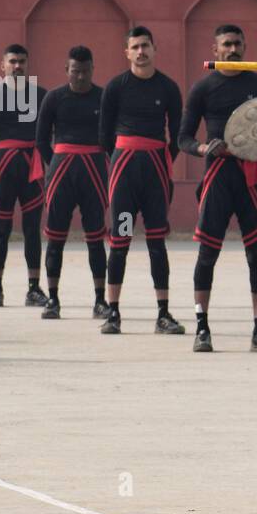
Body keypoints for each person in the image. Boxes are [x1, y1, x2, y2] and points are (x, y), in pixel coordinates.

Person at [179, 24, 257, 353]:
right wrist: (203, 148)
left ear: (244, 46)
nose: (233, 48)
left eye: (237, 43)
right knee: (208, 253)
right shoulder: (203, 89)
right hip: (218, 176)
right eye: (226, 44)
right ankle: (202, 328)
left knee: (256, 255)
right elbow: (183, 139)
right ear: (215, 49)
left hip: (252, 177)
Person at [97, 26, 185, 336]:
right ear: (127, 52)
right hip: (123, 171)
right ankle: (114, 313)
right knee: (119, 242)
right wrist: (125, 157)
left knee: (156, 242)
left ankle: (163, 313)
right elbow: (104, 135)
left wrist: (159, 161)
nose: (140, 52)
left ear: (154, 48)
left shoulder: (169, 88)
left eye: (145, 45)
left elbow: (177, 136)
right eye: (134, 47)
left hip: (156, 173)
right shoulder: (116, 87)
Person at [35, 45, 109, 320]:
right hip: (61, 171)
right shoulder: (54, 98)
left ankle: (100, 300)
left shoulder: (103, 97)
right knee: (55, 240)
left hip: (94, 170)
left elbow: (112, 139)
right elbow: (42, 139)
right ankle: (52, 299)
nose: (80, 76)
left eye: (85, 70)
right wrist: (55, 166)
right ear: (66, 70)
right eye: (75, 71)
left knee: (95, 239)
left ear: (93, 69)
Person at [0, 44, 47, 308]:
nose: (18, 66)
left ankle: (34, 288)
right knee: (0, 231)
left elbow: (52, 132)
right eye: (13, 61)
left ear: (28, 65)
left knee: (32, 231)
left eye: (22, 62)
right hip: (4, 167)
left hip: (32, 168)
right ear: (2, 66)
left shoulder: (41, 96)